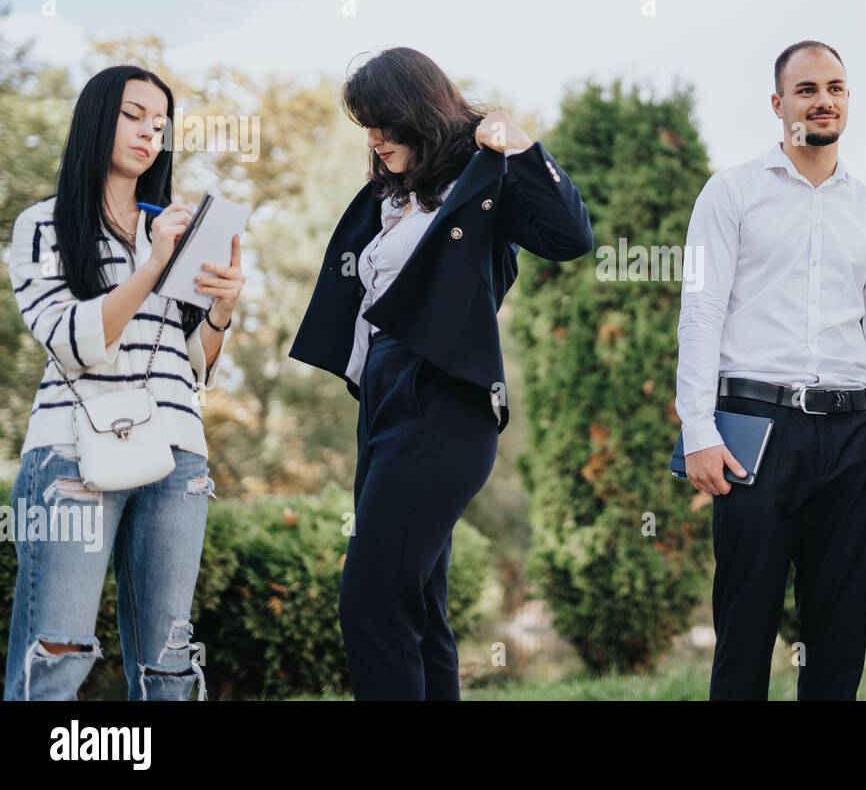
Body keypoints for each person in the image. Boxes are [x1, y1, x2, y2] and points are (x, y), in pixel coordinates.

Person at [288, 47, 593, 700]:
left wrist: (520, 146)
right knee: (418, 613)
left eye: (384, 122)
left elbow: (571, 237)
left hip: (442, 400)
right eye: (365, 124)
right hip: (382, 405)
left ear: (419, 115)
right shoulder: (390, 197)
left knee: (370, 603)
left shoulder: (483, 179)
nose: (372, 138)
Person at [676, 40, 866, 701]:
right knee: (744, 632)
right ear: (779, 105)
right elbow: (701, 311)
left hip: (854, 436)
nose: (823, 99)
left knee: (838, 640)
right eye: (807, 89)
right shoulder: (730, 193)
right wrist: (698, 425)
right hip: (753, 428)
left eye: (835, 87)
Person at [5, 65, 243, 701]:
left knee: (168, 664)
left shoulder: (172, 228)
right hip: (73, 455)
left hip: (177, 455)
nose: (149, 133)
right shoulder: (43, 225)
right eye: (134, 115)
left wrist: (220, 308)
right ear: (96, 118)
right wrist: (151, 267)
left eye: (161, 124)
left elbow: (193, 364)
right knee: (57, 653)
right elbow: (71, 339)